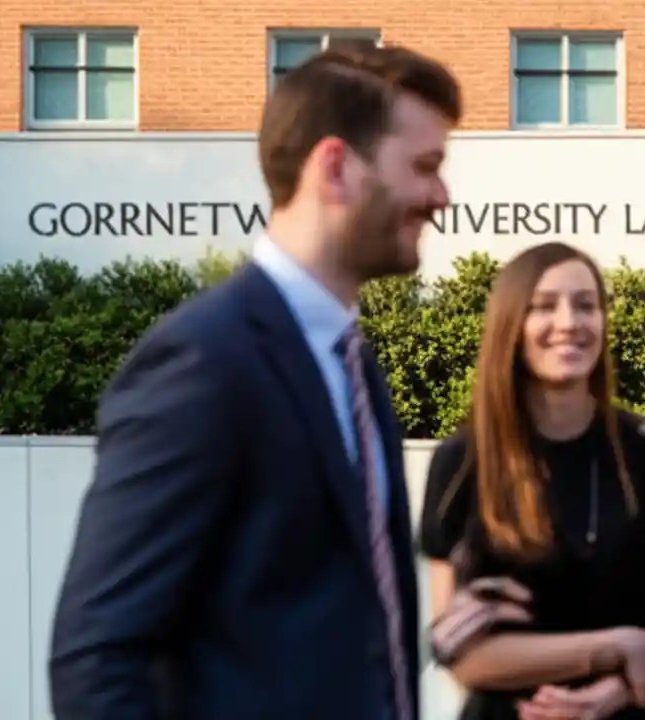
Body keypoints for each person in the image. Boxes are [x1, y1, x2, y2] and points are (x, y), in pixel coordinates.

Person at [47, 44, 461, 720]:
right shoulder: (203, 360)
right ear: (336, 167)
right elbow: (98, 656)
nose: (441, 196)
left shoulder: (354, 365)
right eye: (425, 167)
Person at [418, 241, 645, 720]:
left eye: (586, 305)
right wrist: (617, 646)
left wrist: (617, 691)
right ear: (510, 326)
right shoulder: (460, 463)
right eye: (543, 306)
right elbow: (464, 657)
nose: (569, 322)